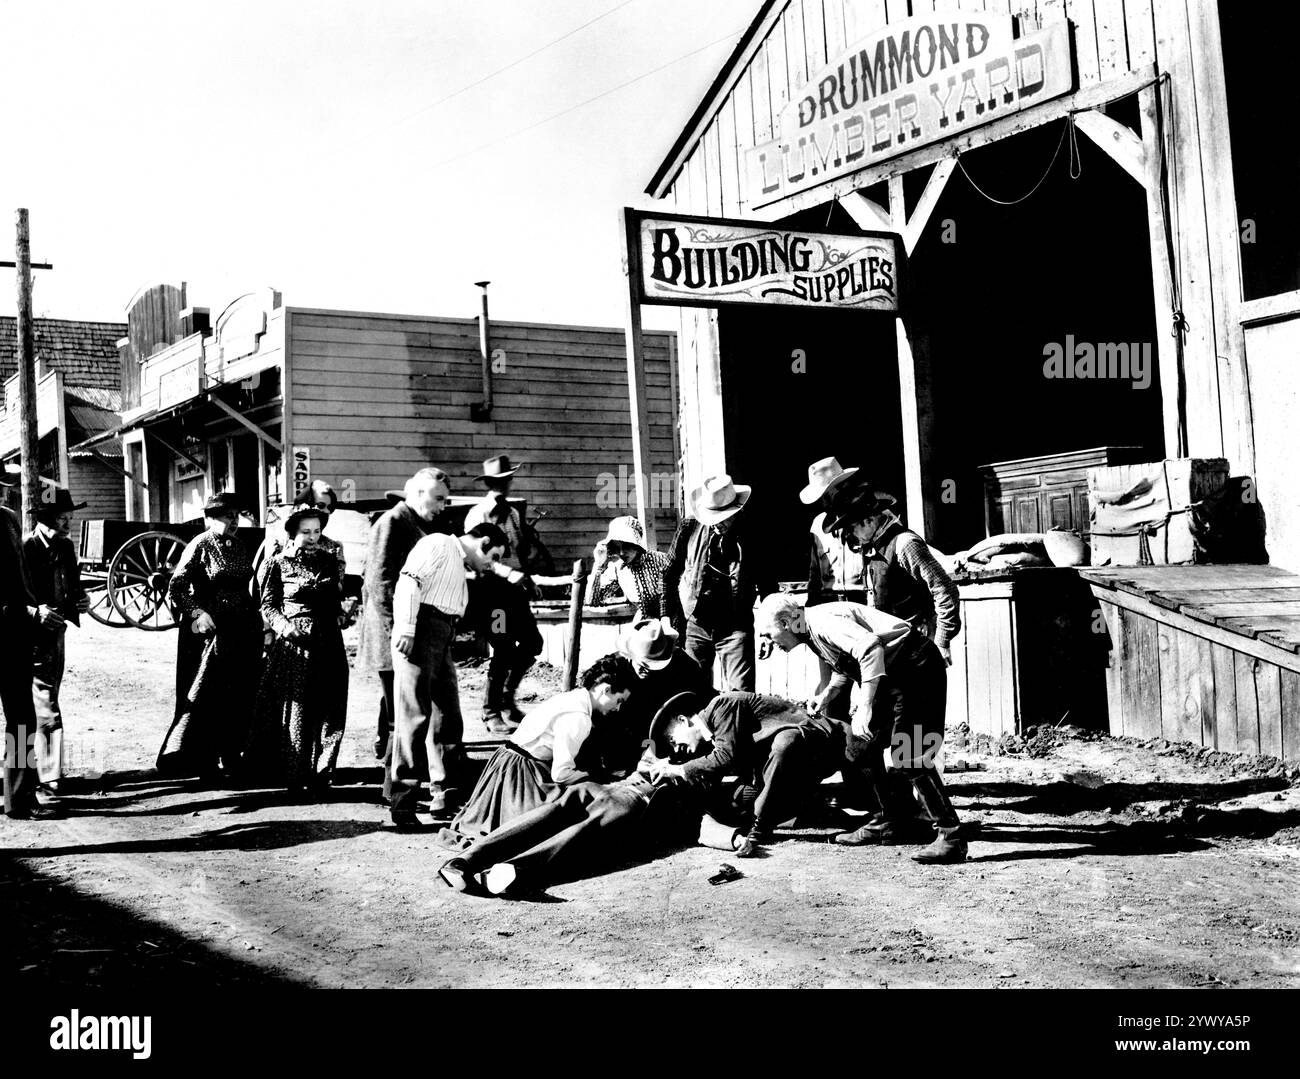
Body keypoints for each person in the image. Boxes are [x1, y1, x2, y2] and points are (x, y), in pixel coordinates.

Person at [754, 593, 968, 864]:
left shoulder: (821, 621)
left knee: (911, 754)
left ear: (785, 622)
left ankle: (951, 836)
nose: (770, 643)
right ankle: (887, 821)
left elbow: (869, 648)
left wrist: (865, 705)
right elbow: (850, 658)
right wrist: (828, 694)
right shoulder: (807, 626)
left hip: (916, 668)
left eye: (768, 634)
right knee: (859, 746)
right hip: (895, 673)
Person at [437, 654, 637, 850]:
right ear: (605, 690)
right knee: (557, 819)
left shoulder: (574, 697)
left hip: (504, 763)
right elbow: (561, 774)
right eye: (619, 700)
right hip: (519, 776)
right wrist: (596, 777)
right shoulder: (578, 717)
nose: (618, 708)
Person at [387, 521, 509, 830]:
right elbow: (409, 581)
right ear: (482, 541)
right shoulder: (440, 544)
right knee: (415, 716)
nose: (491, 564)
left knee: (448, 717)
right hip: (422, 627)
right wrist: (406, 628)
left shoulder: (459, 561)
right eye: (493, 555)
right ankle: (403, 803)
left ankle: (445, 793)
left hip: (442, 632)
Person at [158, 492, 263, 781]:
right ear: (209, 519)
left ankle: (231, 754)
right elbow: (176, 587)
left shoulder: (240, 545)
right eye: (226, 516)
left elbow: (247, 587)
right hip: (210, 632)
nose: (234, 521)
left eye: (236, 515)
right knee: (207, 694)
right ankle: (199, 759)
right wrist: (197, 613)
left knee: (239, 693)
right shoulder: (200, 545)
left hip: (242, 629)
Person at [246, 505, 349, 795]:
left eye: (317, 531)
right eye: (306, 532)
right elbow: (267, 604)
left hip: (328, 640)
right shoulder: (276, 563)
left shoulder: (330, 562)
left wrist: (342, 611)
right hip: (295, 643)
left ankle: (323, 770)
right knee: (299, 707)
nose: (314, 537)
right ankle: (294, 771)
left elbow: (333, 600)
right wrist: (283, 627)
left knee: (331, 703)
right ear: (292, 533)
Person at [357, 467, 446, 761]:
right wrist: (398, 628)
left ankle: (393, 760)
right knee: (401, 710)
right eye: (439, 499)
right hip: (393, 633)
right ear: (418, 494)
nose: (442, 506)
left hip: (409, 629)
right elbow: (378, 581)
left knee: (401, 702)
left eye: (445, 501)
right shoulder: (392, 522)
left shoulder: (419, 523)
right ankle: (394, 789)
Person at [822, 481, 960, 664]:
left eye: (852, 529)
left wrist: (942, 642)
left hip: (918, 645)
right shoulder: (873, 547)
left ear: (869, 521)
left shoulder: (905, 544)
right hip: (894, 646)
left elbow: (946, 590)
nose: (852, 537)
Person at [663, 474, 774, 692]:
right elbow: (667, 573)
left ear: (737, 510)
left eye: (724, 517)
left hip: (735, 626)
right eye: (712, 517)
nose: (717, 524)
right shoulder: (690, 527)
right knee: (693, 692)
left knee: (741, 695)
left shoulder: (753, 533)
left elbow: (769, 587)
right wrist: (667, 618)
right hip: (696, 624)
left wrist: (768, 632)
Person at [463, 454, 544, 734]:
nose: (506, 484)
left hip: (516, 593)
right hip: (493, 594)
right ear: (489, 483)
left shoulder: (512, 513)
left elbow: (520, 551)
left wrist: (528, 579)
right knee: (503, 647)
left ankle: (507, 699)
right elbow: (476, 556)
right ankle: (491, 711)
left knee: (533, 642)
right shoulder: (478, 514)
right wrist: (506, 573)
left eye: (508, 479)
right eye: (500, 481)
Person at [1, 477, 65, 820]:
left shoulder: (8, 519)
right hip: (11, 623)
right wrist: (29, 611)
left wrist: (32, 609)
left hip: (12, 637)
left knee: (22, 721)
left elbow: (19, 581)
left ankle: (18, 798)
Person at [22, 486, 90, 798]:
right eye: (63, 518)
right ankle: (48, 779)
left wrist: (81, 600)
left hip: (57, 636)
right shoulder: (25, 547)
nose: (68, 522)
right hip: (28, 638)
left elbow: (73, 586)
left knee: (44, 705)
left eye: (69, 517)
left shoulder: (65, 547)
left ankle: (33, 773)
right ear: (47, 517)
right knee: (45, 707)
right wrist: (34, 612)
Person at [250, 479, 347, 603]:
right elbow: (266, 587)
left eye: (330, 507)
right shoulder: (281, 544)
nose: (327, 512)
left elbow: (337, 590)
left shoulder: (333, 547)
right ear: (305, 505)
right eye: (321, 506)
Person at [801, 458, 867, 607]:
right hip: (828, 604)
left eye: (826, 494)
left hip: (862, 603)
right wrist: (803, 623)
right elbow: (814, 575)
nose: (822, 501)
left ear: (842, 487)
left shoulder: (868, 518)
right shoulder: (817, 525)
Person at [586, 515, 670, 621]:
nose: (621, 553)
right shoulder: (618, 569)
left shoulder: (661, 560)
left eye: (626, 546)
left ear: (636, 544)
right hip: (646, 626)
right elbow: (593, 601)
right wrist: (598, 564)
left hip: (672, 622)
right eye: (617, 547)